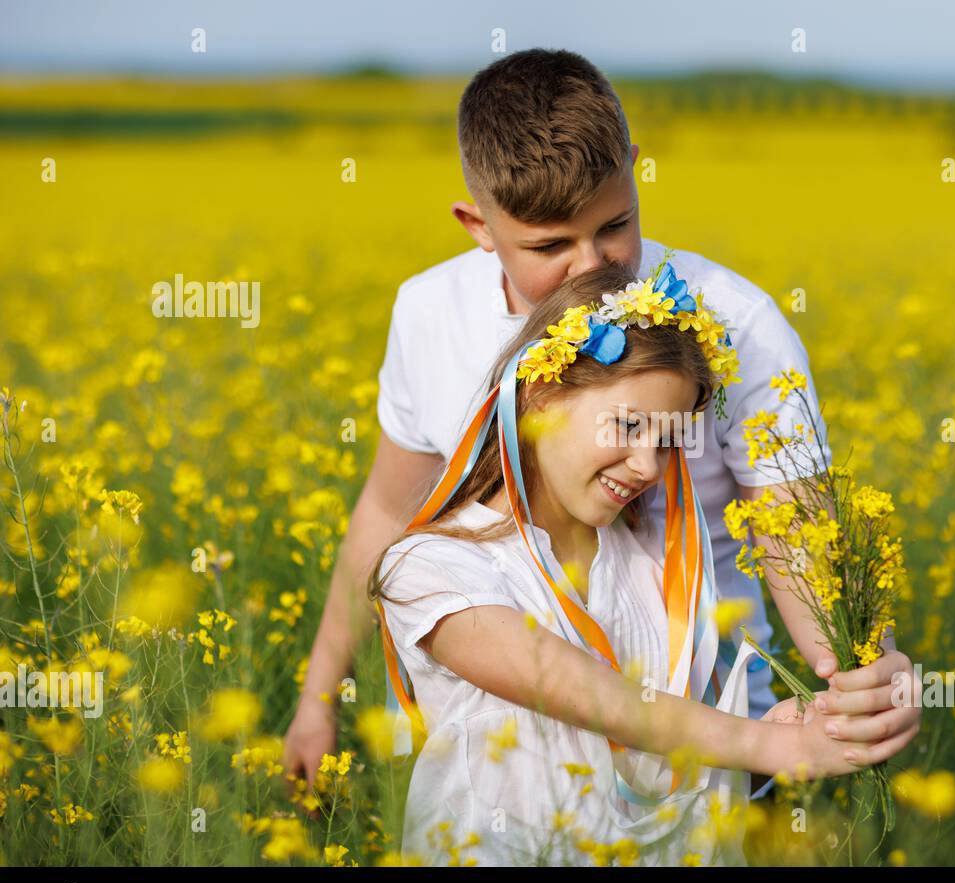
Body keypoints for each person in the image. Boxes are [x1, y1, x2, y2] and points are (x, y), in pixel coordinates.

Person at [284, 47, 920, 795]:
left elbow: (797, 538)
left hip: (719, 753)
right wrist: (317, 698)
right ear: (477, 225)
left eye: (615, 226)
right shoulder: (429, 314)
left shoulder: (740, 323)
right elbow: (391, 507)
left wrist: (860, 674)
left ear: (637, 172)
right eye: (549, 245)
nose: (591, 266)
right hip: (501, 772)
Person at [369, 259, 859, 865]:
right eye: (627, 425)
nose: (648, 467)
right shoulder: (429, 566)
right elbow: (596, 698)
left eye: (666, 441)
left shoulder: (652, 564)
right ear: (543, 396)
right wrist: (768, 746)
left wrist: (789, 728)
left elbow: (671, 728)